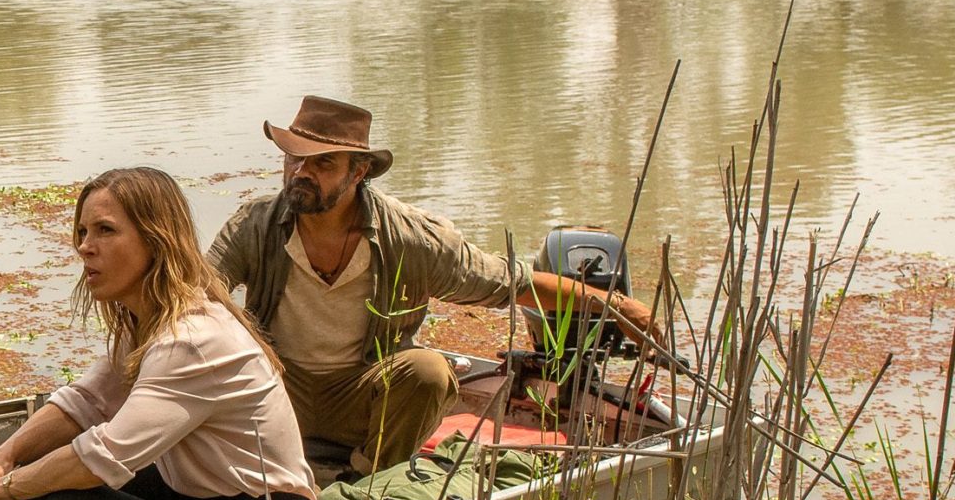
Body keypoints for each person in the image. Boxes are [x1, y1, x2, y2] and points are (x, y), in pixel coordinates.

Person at [208, 96, 661, 476]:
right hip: (278, 389)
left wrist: (617, 306)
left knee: (427, 370)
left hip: (360, 395)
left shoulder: (411, 238)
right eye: (293, 157)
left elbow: (510, 282)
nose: (300, 172)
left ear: (358, 172)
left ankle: (369, 482)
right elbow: (196, 293)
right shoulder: (254, 226)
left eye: (322, 162)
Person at [0, 167, 318, 500]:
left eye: (105, 231)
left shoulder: (193, 340)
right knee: (45, 480)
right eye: (83, 232)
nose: (85, 247)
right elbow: (84, 403)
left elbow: (102, 457)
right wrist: (1, 458)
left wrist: (6, 488)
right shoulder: (148, 325)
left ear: (156, 240)